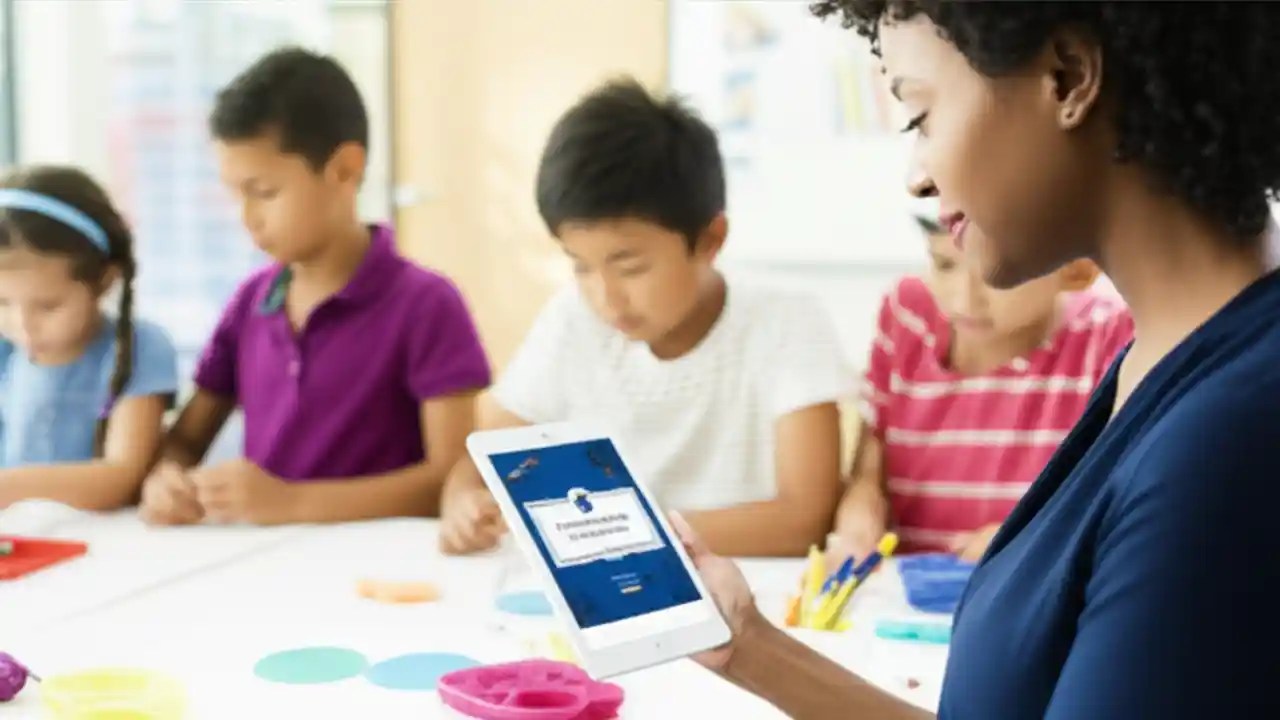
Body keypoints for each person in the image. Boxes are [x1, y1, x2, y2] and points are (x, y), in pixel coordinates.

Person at [677, 2, 1280, 718]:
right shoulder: (1162, 365)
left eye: (920, 117)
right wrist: (748, 647)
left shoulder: (1227, 440)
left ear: (1068, 78)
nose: (917, 179)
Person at [438, 79, 851, 558]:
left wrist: (615, 530)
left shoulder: (786, 322)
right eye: (580, 266)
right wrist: (463, 503)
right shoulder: (573, 319)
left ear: (710, 239)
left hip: (754, 595)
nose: (605, 296)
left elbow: (804, 520)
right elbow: (482, 465)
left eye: (630, 267)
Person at [138, 48, 491, 526]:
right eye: (235, 194)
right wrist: (167, 478)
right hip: (265, 563)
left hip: (385, 574)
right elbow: (184, 442)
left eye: (264, 193)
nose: (246, 218)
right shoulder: (250, 304)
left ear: (344, 169)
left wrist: (292, 503)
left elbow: (450, 479)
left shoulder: (428, 304)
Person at [834, 211, 1131, 562]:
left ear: (1076, 270)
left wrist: (1029, 538)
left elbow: (1119, 496)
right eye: (945, 264)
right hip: (904, 597)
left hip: (1029, 592)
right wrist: (862, 502)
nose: (963, 301)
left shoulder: (1110, 336)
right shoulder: (908, 314)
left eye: (998, 276)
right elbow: (874, 456)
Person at [0, 166, 178, 511]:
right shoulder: (6, 350)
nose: (23, 325)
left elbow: (120, 477)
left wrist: (7, 486)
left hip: (110, 543)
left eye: (48, 306)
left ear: (104, 280)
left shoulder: (137, 346)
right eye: (2, 303)